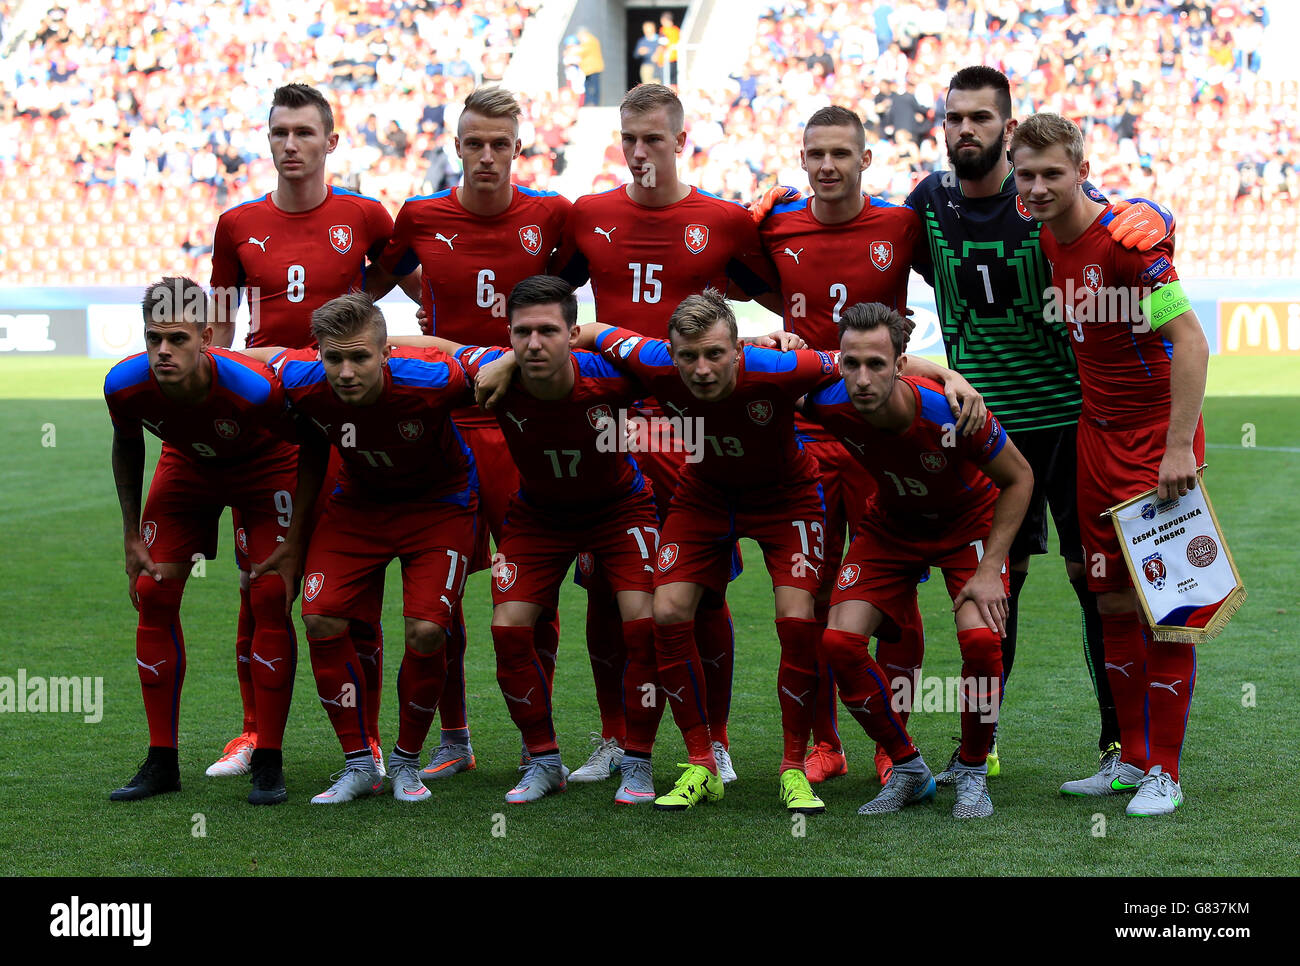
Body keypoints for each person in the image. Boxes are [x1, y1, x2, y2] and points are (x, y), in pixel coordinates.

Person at [905, 66, 1176, 784]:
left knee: (1097, 582)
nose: (966, 129)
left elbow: (1116, 225)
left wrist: (1156, 209)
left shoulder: (1041, 204)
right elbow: (861, 251)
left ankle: (1121, 746)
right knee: (997, 579)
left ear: (1008, 125)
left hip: (1071, 420)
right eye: (955, 116)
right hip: (981, 427)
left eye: (982, 118)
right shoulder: (927, 203)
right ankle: (981, 742)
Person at [553, 83, 782, 785]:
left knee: (703, 590)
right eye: (629, 138)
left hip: (697, 435)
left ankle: (712, 739)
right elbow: (547, 304)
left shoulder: (722, 221)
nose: (640, 151)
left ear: (681, 141)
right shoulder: (587, 216)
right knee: (602, 585)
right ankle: (617, 738)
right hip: (615, 430)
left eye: (653, 138)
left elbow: (783, 295)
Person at [371, 86, 572, 782]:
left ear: (519, 149)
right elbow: (377, 281)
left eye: (500, 144)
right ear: (456, 145)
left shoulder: (551, 216)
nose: (487, 156)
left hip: (524, 428)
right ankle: (453, 738)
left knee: (528, 591)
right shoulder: (421, 218)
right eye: (474, 143)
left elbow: (573, 291)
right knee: (443, 593)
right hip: (444, 424)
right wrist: (432, 341)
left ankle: (535, 743)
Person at [1011, 113, 1208, 816]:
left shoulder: (1131, 244)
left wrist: (1179, 445)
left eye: (1051, 174)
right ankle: (1129, 760)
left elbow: (1190, 341)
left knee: (1170, 609)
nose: (1036, 187)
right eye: (1026, 174)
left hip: (1157, 442)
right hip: (1094, 441)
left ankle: (1168, 773)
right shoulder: (1045, 237)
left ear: (1082, 169)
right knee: (1113, 601)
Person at [207, 83, 405, 782]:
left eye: (304, 133)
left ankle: (371, 742)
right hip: (267, 434)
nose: (291, 145)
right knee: (259, 588)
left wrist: (344, 337)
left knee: (356, 591)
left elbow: (388, 286)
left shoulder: (364, 215)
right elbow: (219, 334)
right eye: (280, 132)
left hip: (345, 425)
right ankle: (255, 735)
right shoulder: (235, 225)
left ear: (331, 141)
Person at [413, 276, 665, 804]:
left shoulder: (614, 377)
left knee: (643, 623)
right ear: (508, 336)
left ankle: (637, 762)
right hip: (540, 515)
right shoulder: (497, 374)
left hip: (619, 510)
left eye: (547, 331)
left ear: (573, 334)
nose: (533, 344)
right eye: (522, 333)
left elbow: (683, 360)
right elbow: (433, 346)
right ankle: (544, 759)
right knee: (508, 628)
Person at [755, 105, 932, 786]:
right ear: (802, 159)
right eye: (815, 154)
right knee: (812, 596)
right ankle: (823, 744)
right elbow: (744, 272)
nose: (827, 166)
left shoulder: (900, 225)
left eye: (840, 154)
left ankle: (896, 739)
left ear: (864, 159)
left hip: (883, 437)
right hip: (804, 433)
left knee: (895, 595)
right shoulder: (775, 224)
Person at [803, 302, 1034, 819]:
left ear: (902, 363)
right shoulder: (827, 400)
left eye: (877, 365)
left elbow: (1020, 479)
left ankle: (973, 769)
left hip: (967, 524)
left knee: (980, 638)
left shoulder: (951, 413)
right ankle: (908, 767)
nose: (861, 379)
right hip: (892, 525)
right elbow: (773, 375)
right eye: (851, 363)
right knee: (839, 642)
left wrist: (989, 570)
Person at [251, 294, 479, 805]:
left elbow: (481, 360)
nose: (347, 371)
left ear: (386, 354)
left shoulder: (432, 380)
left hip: (438, 506)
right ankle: (358, 762)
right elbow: (259, 358)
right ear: (319, 355)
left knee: (425, 631)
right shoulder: (301, 378)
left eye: (360, 357)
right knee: (321, 619)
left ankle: (404, 763)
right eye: (334, 358)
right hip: (358, 505)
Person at [105, 277, 298, 805]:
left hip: (266, 468)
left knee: (268, 597)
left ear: (207, 335)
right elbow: (126, 446)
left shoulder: (252, 388)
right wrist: (129, 535)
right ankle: (161, 760)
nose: (163, 351)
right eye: (153, 339)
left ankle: (269, 760)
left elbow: (312, 443)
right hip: (187, 465)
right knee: (153, 589)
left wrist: (298, 535)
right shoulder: (123, 385)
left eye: (178, 339)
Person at [577, 28, 603, 106]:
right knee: (587, 86)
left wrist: (573, 50)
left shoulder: (590, 41)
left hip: (593, 68)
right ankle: (588, 102)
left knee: (594, 86)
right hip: (587, 69)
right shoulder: (589, 41)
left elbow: (582, 51)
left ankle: (595, 102)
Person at [635, 21, 659, 86]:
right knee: (647, 87)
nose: (647, 33)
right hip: (646, 66)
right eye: (645, 31)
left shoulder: (659, 39)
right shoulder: (642, 41)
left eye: (648, 31)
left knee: (657, 87)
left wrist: (658, 55)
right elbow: (635, 55)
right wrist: (640, 52)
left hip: (658, 66)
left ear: (654, 29)